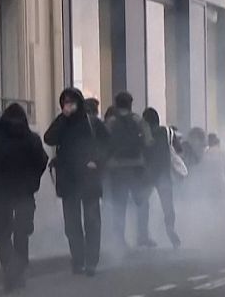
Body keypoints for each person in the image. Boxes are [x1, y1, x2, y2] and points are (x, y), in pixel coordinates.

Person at [0, 103, 48, 296]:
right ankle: (19, 269)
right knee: (22, 233)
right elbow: (42, 161)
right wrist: (33, 180)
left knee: (3, 234)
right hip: (24, 193)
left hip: (1, 194)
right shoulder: (32, 139)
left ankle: (9, 268)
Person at [44, 88, 109, 276]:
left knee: (92, 221)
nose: (69, 106)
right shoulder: (62, 123)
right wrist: (63, 118)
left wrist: (96, 161)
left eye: (72, 102)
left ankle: (91, 261)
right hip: (68, 179)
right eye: (65, 102)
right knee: (72, 224)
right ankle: (78, 259)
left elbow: (107, 144)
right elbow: (49, 138)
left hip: (89, 179)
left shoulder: (92, 123)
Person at [104, 91, 154, 251]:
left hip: (116, 168)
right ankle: (142, 236)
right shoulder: (138, 121)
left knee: (119, 205)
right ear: (130, 104)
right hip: (136, 167)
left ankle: (119, 239)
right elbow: (148, 142)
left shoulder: (111, 123)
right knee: (142, 203)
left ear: (116, 104)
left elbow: (103, 143)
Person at [140, 107, 182, 249]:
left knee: (143, 204)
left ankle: (143, 235)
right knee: (167, 205)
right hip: (164, 174)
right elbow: (179, 149)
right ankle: (170, 230)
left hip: (148, 174)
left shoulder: (143, 134)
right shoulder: (168, 132)